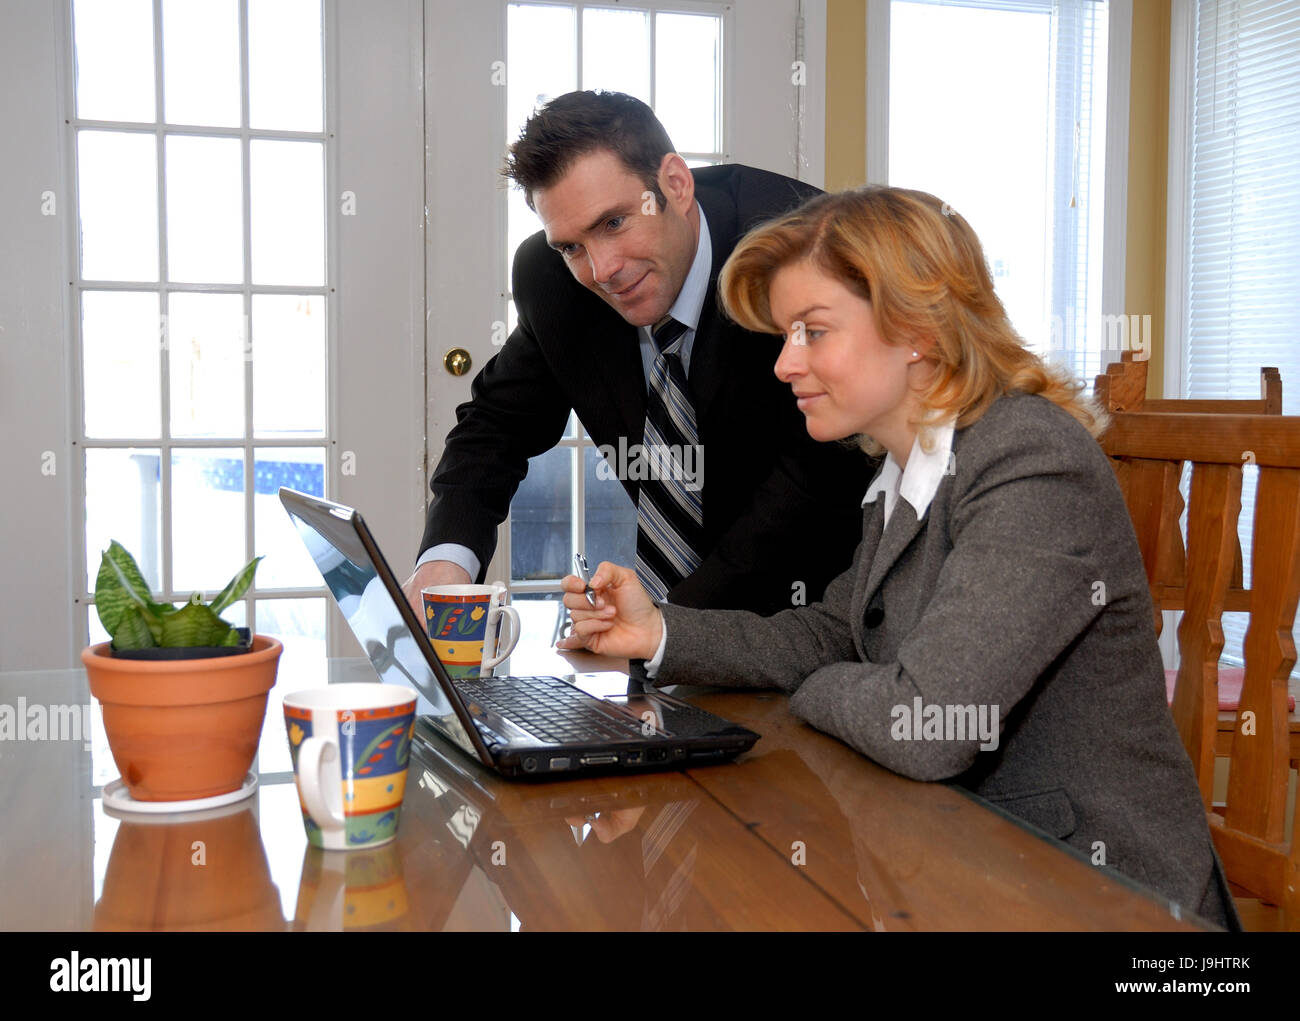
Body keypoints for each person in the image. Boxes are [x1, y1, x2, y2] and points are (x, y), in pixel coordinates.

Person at [560, 185, 1242, 929]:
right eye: (787, 334)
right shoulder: (907, 470)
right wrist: (658, 630)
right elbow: (831, 631)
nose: (785, 364)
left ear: (917, 328)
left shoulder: (1030, 458)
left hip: (1106, 899)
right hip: (966, 859)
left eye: (812, 332)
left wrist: (819, 686)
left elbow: (934, 719)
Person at [401, 91, 874, 627]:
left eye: (613, 223)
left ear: (674, 183)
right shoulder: (553, 280)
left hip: (826, 611)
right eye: (571, 246)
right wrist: (445, 562)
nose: (602, 270)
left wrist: (660, 635)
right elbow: (495, 426)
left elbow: (817, 476)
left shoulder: (800, 251)